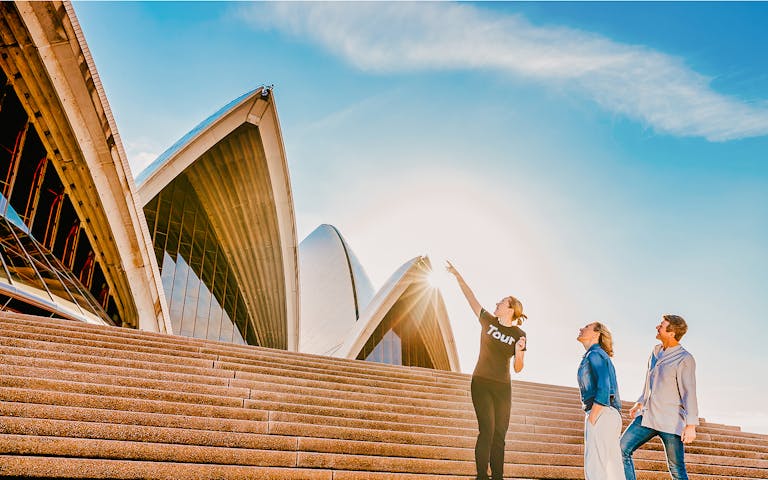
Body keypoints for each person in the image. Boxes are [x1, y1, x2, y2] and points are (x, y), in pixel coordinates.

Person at [446, 260, 527, 480]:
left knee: (500, 435)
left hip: (503, 387)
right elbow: (471, 298)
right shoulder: (488, 321)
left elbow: (518, 368)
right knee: (487, 430)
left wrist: (519, 352)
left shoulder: (519, 334)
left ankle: (497, 476)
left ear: (511, 309)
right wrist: (457, 275)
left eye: (501, 302)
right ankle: (482, 475)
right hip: (481, 382)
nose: (497, 304)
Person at [620, 314, 699, 480]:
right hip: (647, 417)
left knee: (677, 470)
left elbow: (689, 392)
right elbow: (648, 380)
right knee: (621, 449)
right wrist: (640, 402)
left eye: (661, 326)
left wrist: (691, 425)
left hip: (670, 421)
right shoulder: (656, 351)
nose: (657, 327)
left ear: (672, 333)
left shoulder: (684, 358)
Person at [576, 322, 624, 480]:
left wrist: (593, 415)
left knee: (595, 467)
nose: (581, 329)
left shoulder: (595, 354)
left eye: (586, 327)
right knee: (613, 470)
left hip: (601, 412)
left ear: (597, 334)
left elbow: (604, 384)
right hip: (610, 414)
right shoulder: (598, 354)